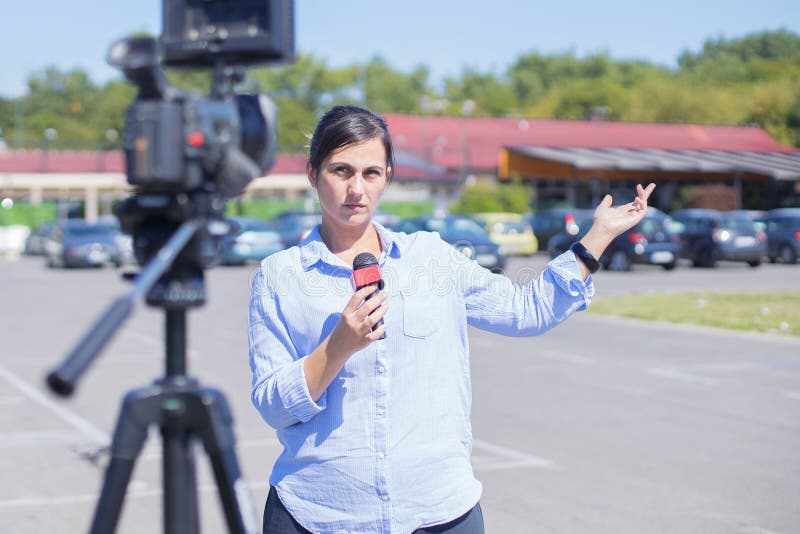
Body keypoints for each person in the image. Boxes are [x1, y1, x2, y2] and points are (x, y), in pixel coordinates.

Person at [248, 105, 656, 533]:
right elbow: (273, 406)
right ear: (313, 174)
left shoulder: (432, 258)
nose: (356, 189)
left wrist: (598, 237)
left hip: (438, 511)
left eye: (370, 173)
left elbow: (526, 309)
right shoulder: (280, 276)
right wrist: (338, 347)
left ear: (388, 175)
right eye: (340, 171)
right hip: (320, 513)